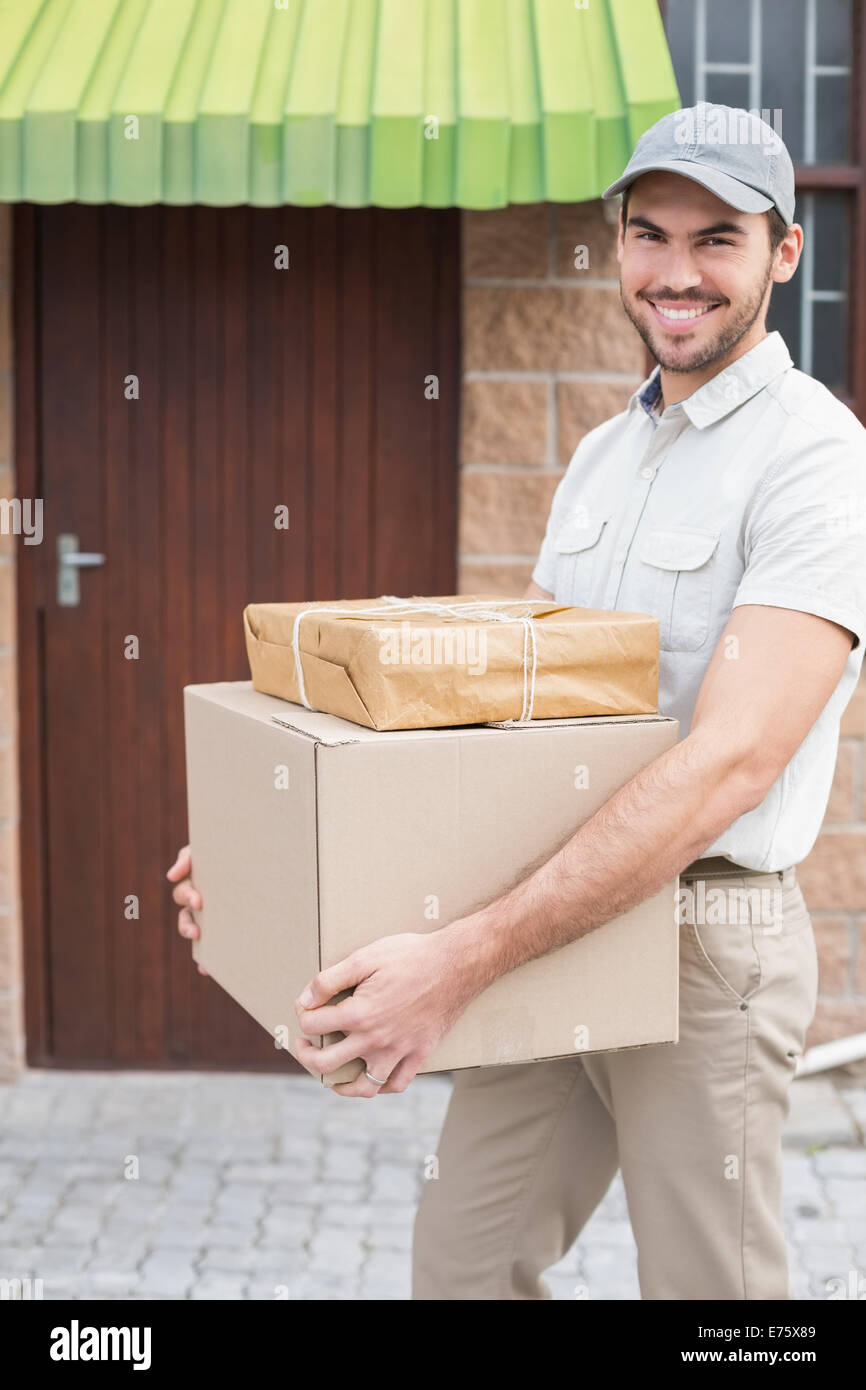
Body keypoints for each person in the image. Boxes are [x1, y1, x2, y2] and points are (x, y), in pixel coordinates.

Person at [168, 104, 866, 1300]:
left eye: (717, 240)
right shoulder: (603, 456)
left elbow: (729, 766)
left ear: (781, 254)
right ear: (616, 250)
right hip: (549, 914)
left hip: (703, 943)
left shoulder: (813, 458)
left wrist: (456, 960)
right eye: (649, 235)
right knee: (462, 1266)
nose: (675, 272)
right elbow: (496, 721)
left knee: (715, 1302)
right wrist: (272, 854)